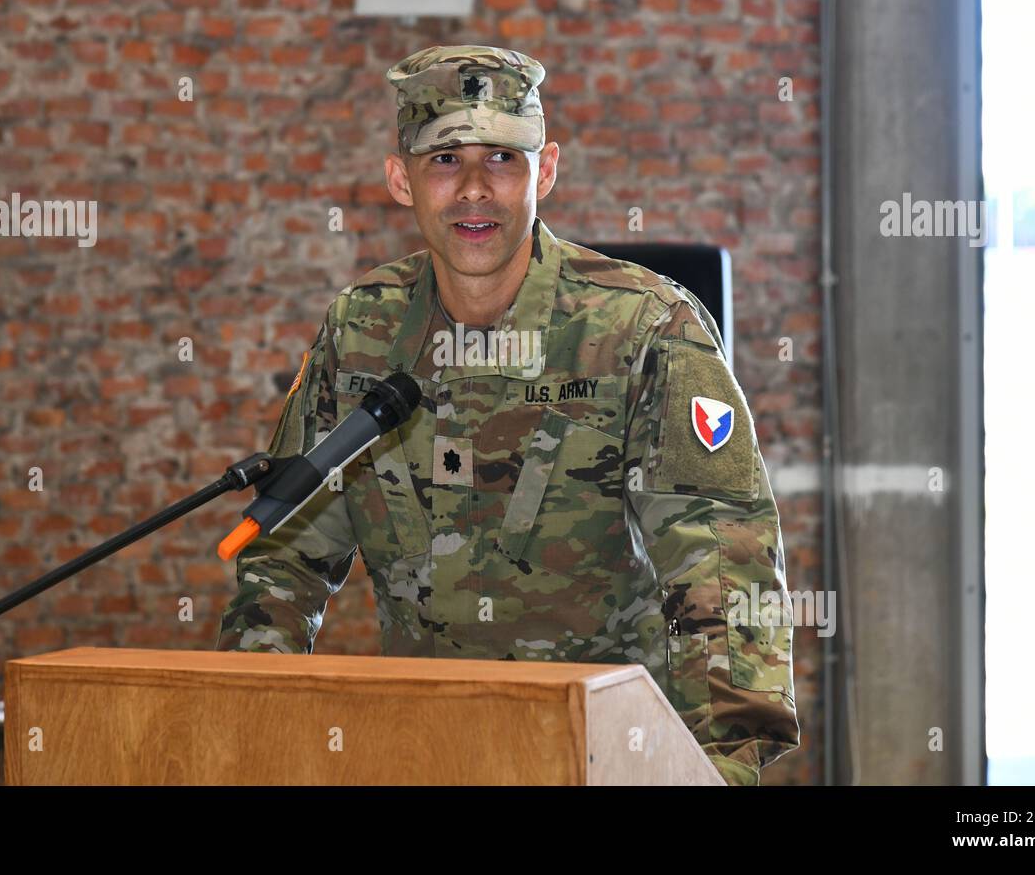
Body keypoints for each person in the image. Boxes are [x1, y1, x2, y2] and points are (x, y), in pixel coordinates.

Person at [217, 45, 799, 785]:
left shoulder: (646, 329)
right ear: (400, 179)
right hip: (421, 751)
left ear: (544, 171)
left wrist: (719, 770)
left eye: (501, 158)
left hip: (608, 756)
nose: (472, 190)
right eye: (443, 161)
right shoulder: (361, 332)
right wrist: (246, 728)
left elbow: (723, 564)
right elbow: (288, 556)